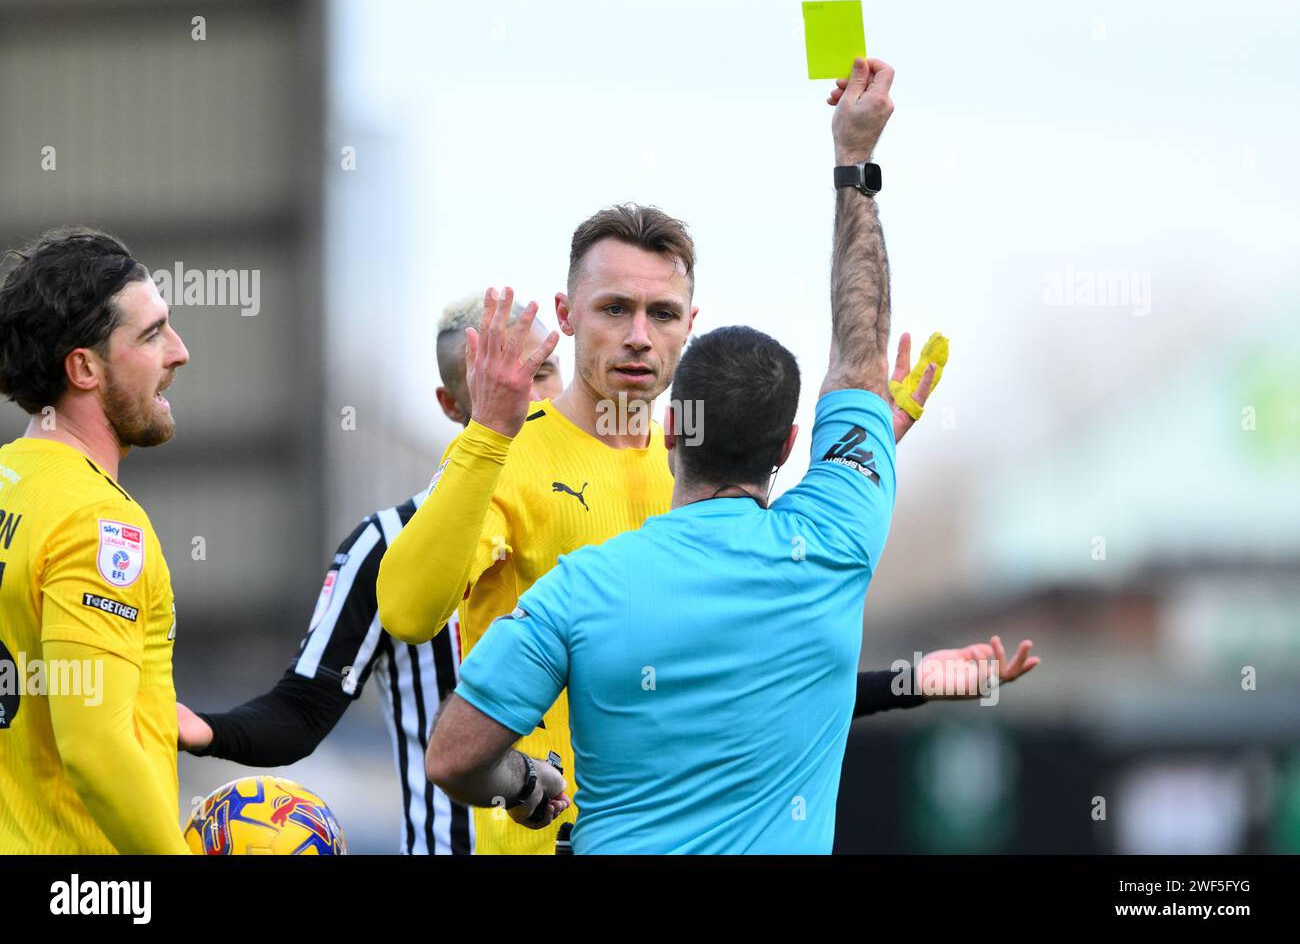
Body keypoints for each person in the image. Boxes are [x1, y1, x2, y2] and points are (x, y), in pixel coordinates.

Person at [425, 57, 1038, 852]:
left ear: (672, 428)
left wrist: (524, 785)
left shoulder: (578, 591)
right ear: (789, 444)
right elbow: (860, 355)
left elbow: (454, 757)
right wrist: (854, 158)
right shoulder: (835, 543)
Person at [378, 172, 951, 856]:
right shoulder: (505, 450)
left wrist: (865, 454)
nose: (639, 337)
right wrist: (487, 437)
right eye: (614, 309)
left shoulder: (691, 462)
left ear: (691, 325)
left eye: (662, 313)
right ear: (565, 315)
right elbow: (408, 613)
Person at [175, 294, 562, 854]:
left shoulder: (617, 522)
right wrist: (205, 730)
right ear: (451, 404)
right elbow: (303, 711)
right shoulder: (384, 545)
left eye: (541, 371)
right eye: (494, 380)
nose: (526, 394)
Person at [0, 227, 192, 853]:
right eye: (151, 334)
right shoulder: (100, 525)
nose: (179, 352)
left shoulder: (10, 485)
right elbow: (96, 751)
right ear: (84, 367)